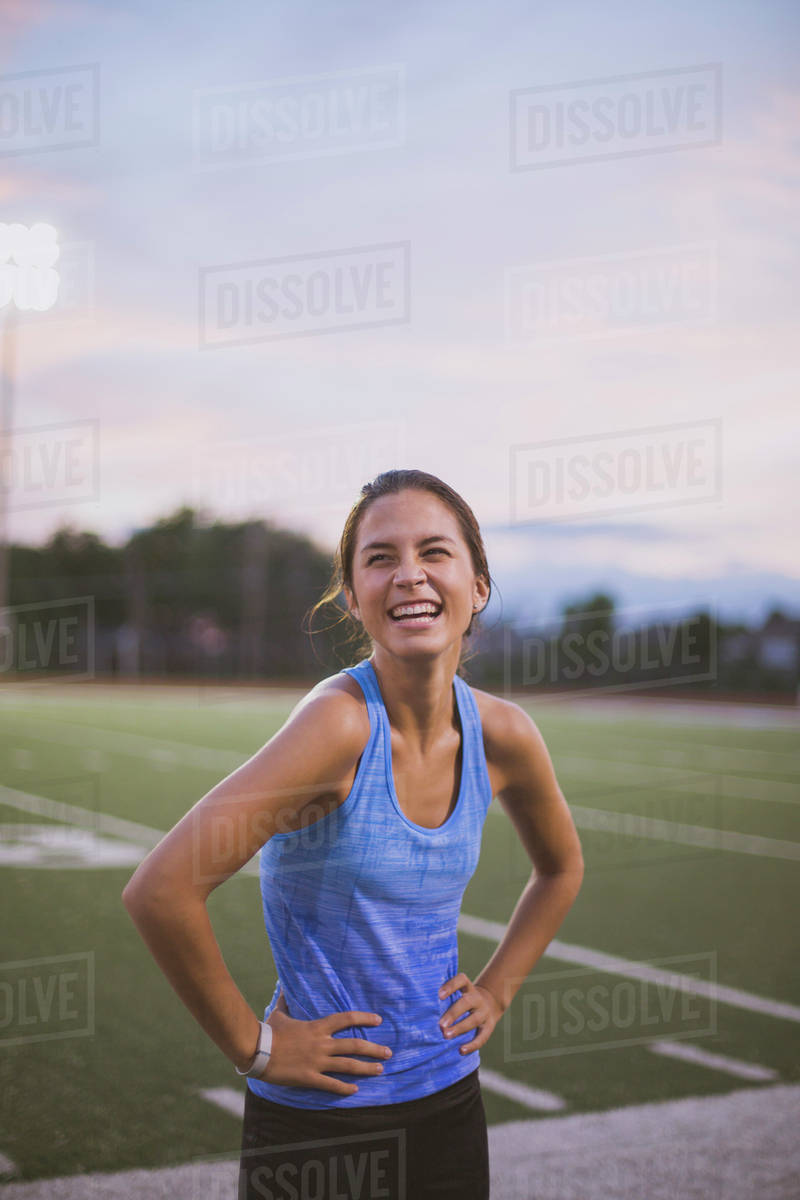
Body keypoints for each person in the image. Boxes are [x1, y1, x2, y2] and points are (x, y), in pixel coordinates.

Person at [121, 468, 585, 1200]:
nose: (410, 575)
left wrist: (497, 992)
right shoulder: (337, 726)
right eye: (380, 558)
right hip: (321, 1126)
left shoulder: (504, 734)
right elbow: (161, 890)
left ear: (478, 586)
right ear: (351, 597)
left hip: (450, 1102)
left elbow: (561, 869)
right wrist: (256, 1046)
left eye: (434, 552)